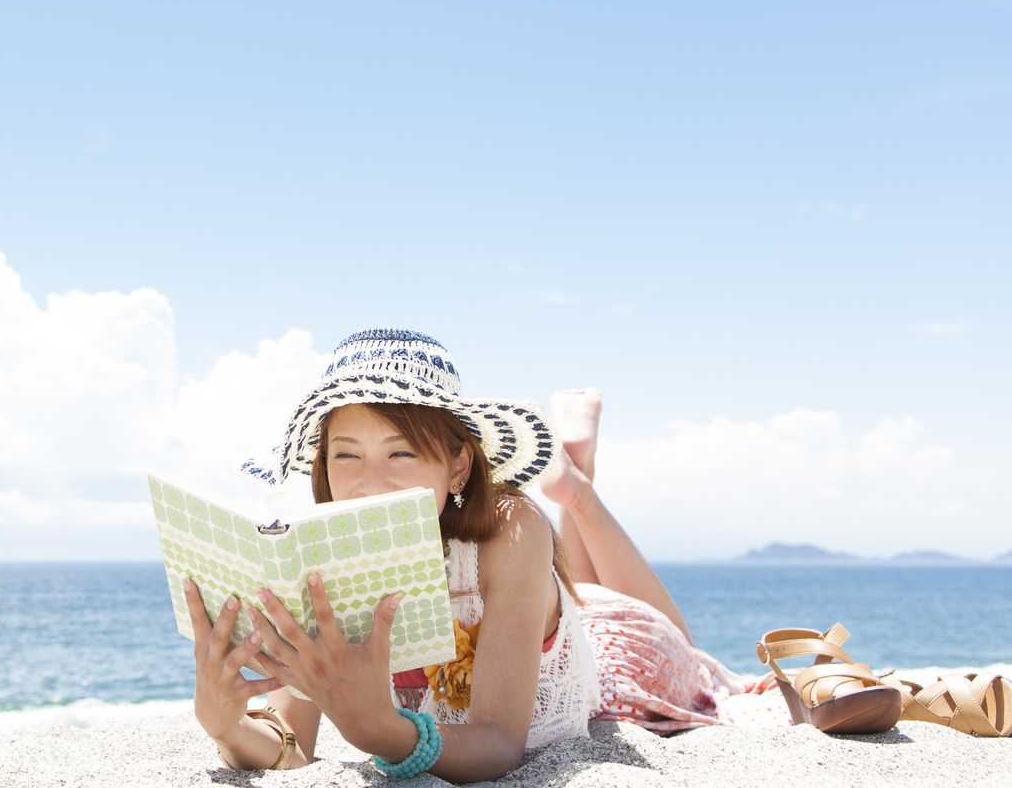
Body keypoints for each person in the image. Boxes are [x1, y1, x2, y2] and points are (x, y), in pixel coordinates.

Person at [184, 328, 758, 783]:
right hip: (547, 615)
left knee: (684, 645)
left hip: (614, 664)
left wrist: (380, 731)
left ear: (458, 465)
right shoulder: (316, 556)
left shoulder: (510, 527)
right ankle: (575, 476)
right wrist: (226, 724)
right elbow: (289, 746)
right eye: (347, 456)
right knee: (577, 590)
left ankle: (578, 490)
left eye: (401, 453)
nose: (367, 484)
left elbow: (499, 744)